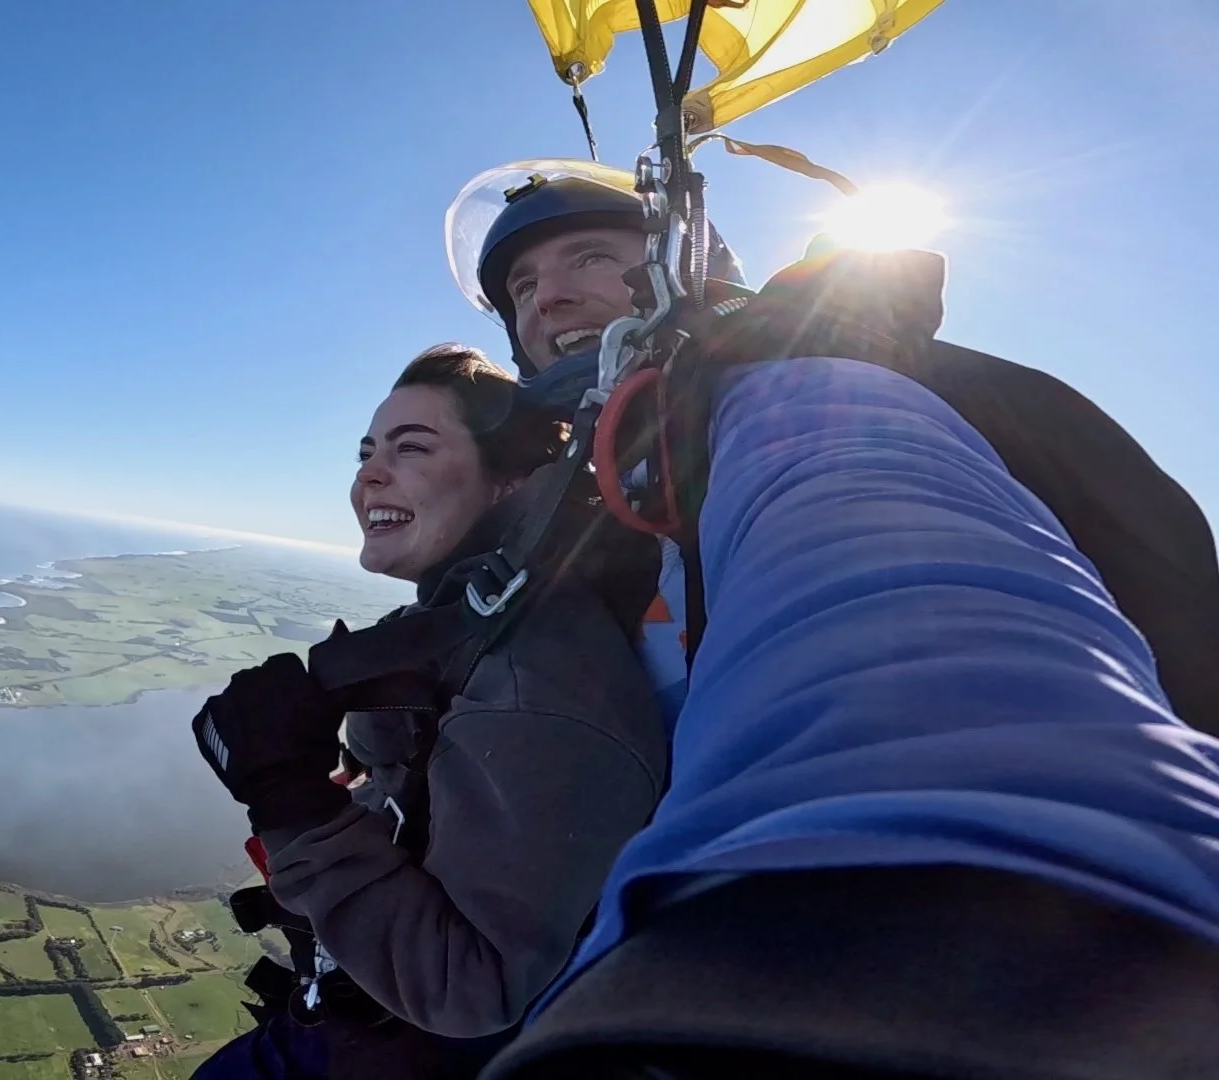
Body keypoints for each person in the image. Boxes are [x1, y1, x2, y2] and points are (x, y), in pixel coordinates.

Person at [449, 165, 1219, 1077]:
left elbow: (867, 532)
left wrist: (853, 909)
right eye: (525, 288)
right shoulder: (632, 477)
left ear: (682, 268)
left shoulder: (788, 377)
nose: (551, 299)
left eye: (588, 257)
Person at [189, 344, 668, 1080]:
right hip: (361, 1029)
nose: (368, 475)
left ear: (510, 480)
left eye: (411, 448)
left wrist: (292, 801)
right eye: (367, 451)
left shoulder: (534, 676)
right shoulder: (474, 619)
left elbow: (476, 987)